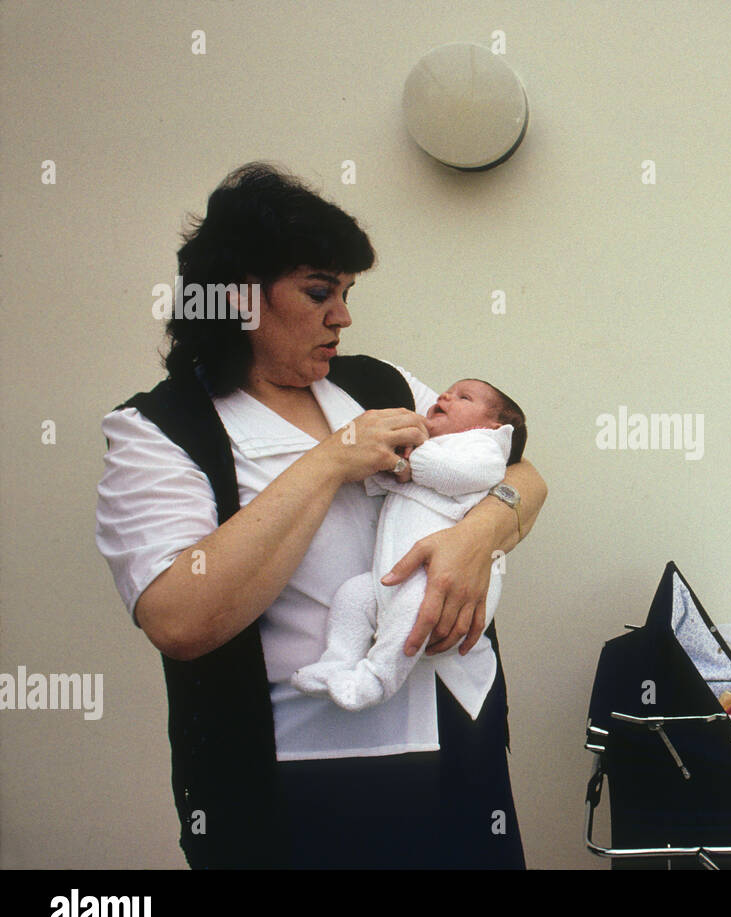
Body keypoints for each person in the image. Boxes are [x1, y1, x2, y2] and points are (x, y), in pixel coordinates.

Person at [94, 163, 546, 868]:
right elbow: (177, 618)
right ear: (240, 298)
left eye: (346, 292)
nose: (342, 315)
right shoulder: (162, 430)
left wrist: (477, 536)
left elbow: (522, 473)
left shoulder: (377, 383)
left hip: (457, 733)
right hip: (301, 775)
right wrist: (331, 460)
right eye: (318, 292)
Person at [292, 380, 526, 713]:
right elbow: (384, 480)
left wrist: (414, 457)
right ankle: (337, 662)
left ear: (493, 425)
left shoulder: (484, 448)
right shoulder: (431, 447)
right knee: (352, 596)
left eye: (464, 397)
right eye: (448, 391)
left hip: (445, 591)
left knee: (414, 610)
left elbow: (458, 473)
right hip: (394, 579)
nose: (445, 396)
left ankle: (377, 678)